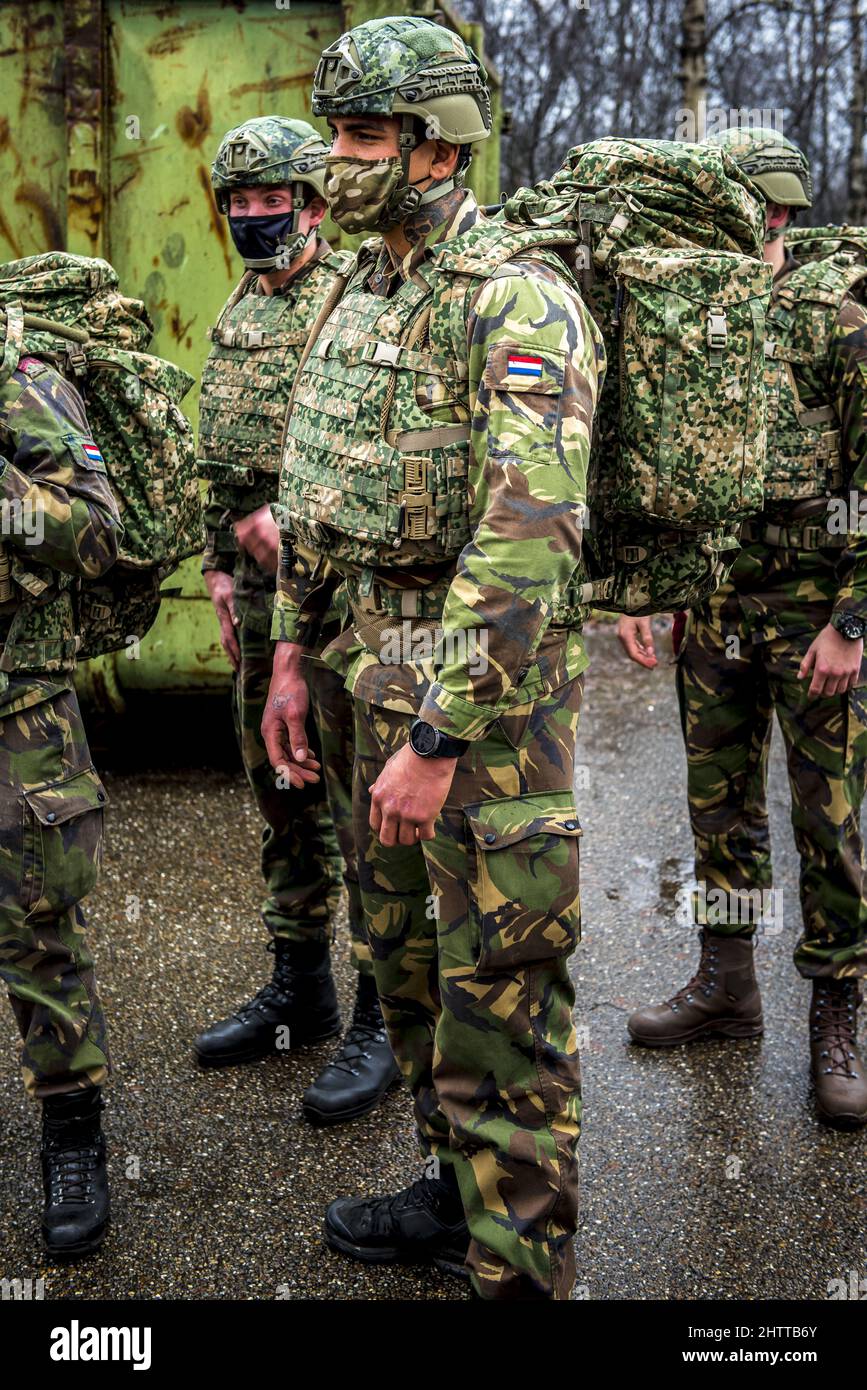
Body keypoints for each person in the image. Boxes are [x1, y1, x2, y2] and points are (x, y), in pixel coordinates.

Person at [262, 15, 604, 1300]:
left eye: (360, 137)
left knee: (500, 1001)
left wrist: (437, 735)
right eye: (336, 130)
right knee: (403, 969)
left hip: (483, 720)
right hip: (367, 683)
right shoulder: (365, 284)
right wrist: (297, 650)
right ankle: (448, 1188)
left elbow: (529, 535)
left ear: (436, 148)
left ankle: (516, 1264)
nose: (334, 161)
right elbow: (322, 483)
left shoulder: (517, 298)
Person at [619, 128, 867, 1129]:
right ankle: (728, 984)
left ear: (767, 216)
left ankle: (837, 1017)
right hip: (714, 617)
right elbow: (668, 472)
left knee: (828, 821)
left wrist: (852, 622)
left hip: (815, 623)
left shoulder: (839, 326)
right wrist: (655, 591)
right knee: (719, 812)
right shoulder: (697, 325)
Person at [195, 115, 398, 1124]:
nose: (251, 218)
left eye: (270, 202)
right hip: (262, 588)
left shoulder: (349, 305)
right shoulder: (239, 307)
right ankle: (300, 986)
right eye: (238, 203)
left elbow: (367, 452)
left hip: (335, 600)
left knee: (360, 807)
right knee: (280, 796)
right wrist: (220, 564)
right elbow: (221, 449)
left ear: (314, 207)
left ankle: (381, 1010)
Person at [0, 327, 121, 1254]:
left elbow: (94, 535)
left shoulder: (23, 383)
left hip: (16, 713)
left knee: (37, 937)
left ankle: (73, 1134)